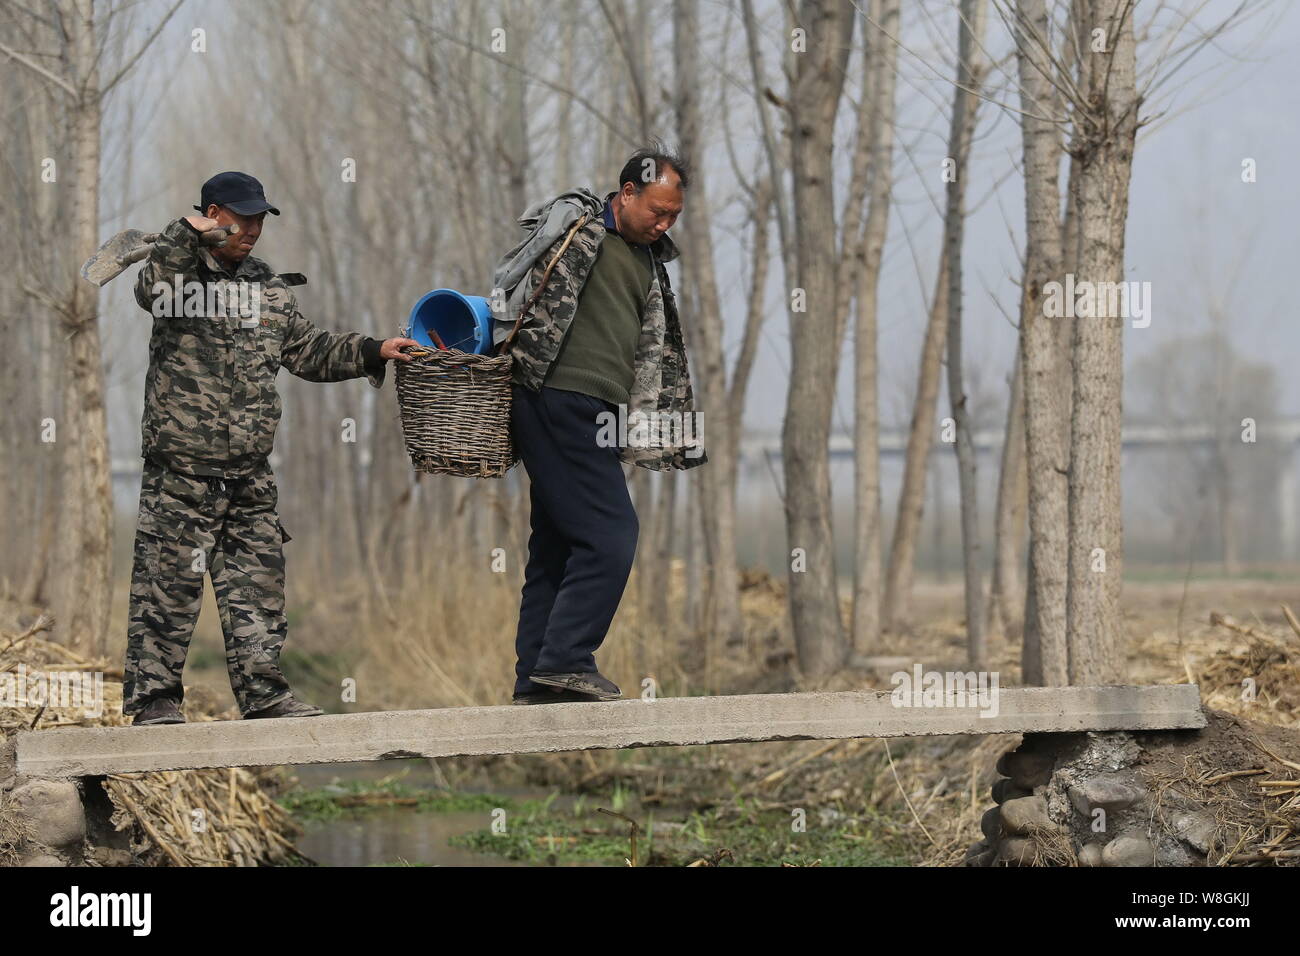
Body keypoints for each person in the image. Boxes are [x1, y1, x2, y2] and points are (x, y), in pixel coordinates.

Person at [124, 170, 419, 725]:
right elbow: (151, 288)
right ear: (213, 213)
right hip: (182, 472)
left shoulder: (267, 287)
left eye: (260, 218)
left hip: (249, 474)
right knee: (167, 589)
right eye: (243, 217)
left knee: (257, 588)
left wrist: (376, 349)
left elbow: (309, 351)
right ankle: (155, 701)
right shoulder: (178, 276)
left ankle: (265, 697)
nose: (253, 229)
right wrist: (180, 234)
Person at [492, 145, 707, 705]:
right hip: (555, 395)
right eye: (656, 210)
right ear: (627, 193)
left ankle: (536, 680)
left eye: (674, 216)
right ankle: (567, 659)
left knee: (557, 546)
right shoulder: (575, 228)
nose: (664, 223)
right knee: (613, 537)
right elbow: (512, 283)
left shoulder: (651, 261)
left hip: (603, 411)